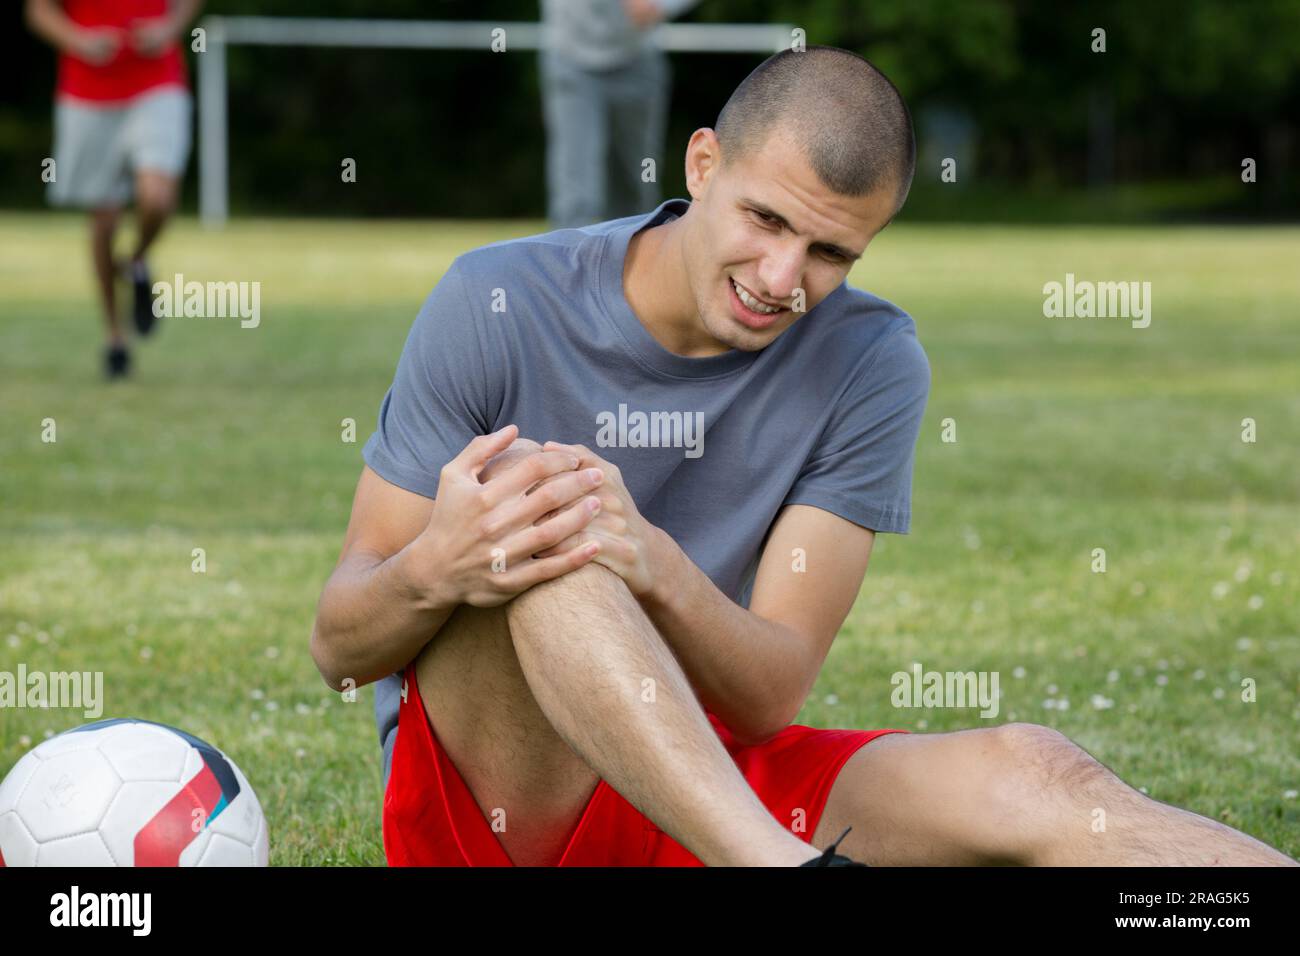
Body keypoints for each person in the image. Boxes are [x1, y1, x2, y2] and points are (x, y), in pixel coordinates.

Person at [311, 46, 1297, 867]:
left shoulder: (871, 357)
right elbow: (339, 646)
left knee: (1043, 775)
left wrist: (655, 559)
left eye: (831, 253)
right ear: (702, 165)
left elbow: (769, 688)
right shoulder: (496, 298)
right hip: (499, 808)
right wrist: (442, 561)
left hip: (707, 783)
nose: (783, 279)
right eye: (766, 219)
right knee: (554, 527)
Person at [26, 0, 202, 379]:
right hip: (88, 92)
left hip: (158, 82)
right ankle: (115, 339)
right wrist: (79, 39)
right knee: (104, 221)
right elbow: (39, 11)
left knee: (157, 197)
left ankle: (136, 259)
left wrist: (168, 28)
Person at [540, 0, 698, 229]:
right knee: (576, 182)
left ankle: (638, 250)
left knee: (639, 177)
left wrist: (661, 5)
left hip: (639, 58)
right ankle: (565, 259)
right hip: (570, 59)